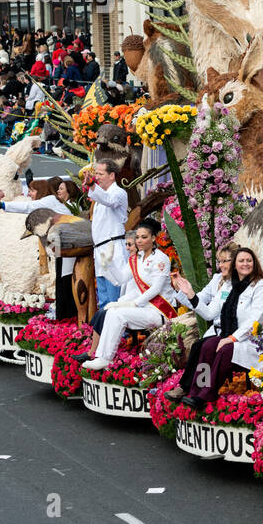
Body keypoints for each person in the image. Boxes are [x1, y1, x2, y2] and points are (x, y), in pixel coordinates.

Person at [178, 246, 263, 408]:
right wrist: (191, 295)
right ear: (235, 265)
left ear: (254, 263)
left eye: (249, 261)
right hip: (230, 336)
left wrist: (231, 339)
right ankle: (195, 391)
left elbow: (254, 321)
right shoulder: (228, 285)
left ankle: (206, 395)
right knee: (208, 346)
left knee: (225, 349)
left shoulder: (261, 287)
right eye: (241, 261)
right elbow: (209, 313)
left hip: (252, 341)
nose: (245, 264)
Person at [80, 218, 179, 370]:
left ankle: (105, 358)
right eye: (137, 237)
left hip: (160, 311)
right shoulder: (135, 259)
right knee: (111, 311)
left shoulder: (161, 259)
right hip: (143, 309)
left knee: (118, 314)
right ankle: (103, 358)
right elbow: (119, 280)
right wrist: (108, 264)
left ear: (153, 238)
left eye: (144, 237)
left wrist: (134, 303)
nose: (139, 241)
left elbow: (156, 289)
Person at [0, 176, 78, 319]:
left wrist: (2, 205)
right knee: (63, 279)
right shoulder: (60, 203)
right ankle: (65, 313)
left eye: (61, 189)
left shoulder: (53, 201)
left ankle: (66, 314)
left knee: (65, 279)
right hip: (62, 245)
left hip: (70, 245)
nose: (58, 191)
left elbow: (28, 207)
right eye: (58, 188)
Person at [167, 245, 235, 402]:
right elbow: (198, 302)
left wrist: (191, 295)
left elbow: (209, 311)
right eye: (219, 261)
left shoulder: (236, 284)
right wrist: (181, 290)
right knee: (199, 346)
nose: (221, 265)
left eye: (226, 261)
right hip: (216, 329)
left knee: (203, 347)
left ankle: (194, 390)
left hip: (230, 332)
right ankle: (190, 389)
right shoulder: (218, 279)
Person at [88, 159, 129, 307]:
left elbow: (109, 201)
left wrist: (92, 186)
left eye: (100, 174)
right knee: (104, 300)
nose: (97, 177)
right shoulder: (100, 197)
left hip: (113, 248)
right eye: (95, 174)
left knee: (114, 299)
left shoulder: (118, 193)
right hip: (100, 250)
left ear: (112, 175)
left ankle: (120, 331)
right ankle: (105, 330)